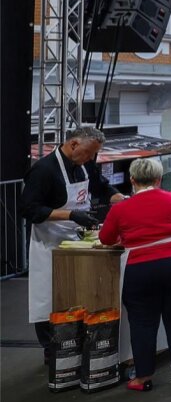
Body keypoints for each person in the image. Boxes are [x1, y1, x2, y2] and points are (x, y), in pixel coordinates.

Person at [98, 158, 171, 391]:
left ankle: (143, 378)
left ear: (132, 180)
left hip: (141, 268)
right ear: (158, 179)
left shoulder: (120, 208)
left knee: (142, 322)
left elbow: (105, 238)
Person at [20, 125, 123, 359]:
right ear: (74, 144)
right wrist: (70, 215)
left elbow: (101, 186)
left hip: (78, 238)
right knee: (50, 294)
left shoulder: (84, 165)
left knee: (79, 291)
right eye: (88, 153)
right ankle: (52, 349)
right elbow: (28, 208)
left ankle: (77, 339)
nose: (89, 158)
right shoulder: (44, 170)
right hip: (50, 241)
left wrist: (122, 199)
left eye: (93, 155)